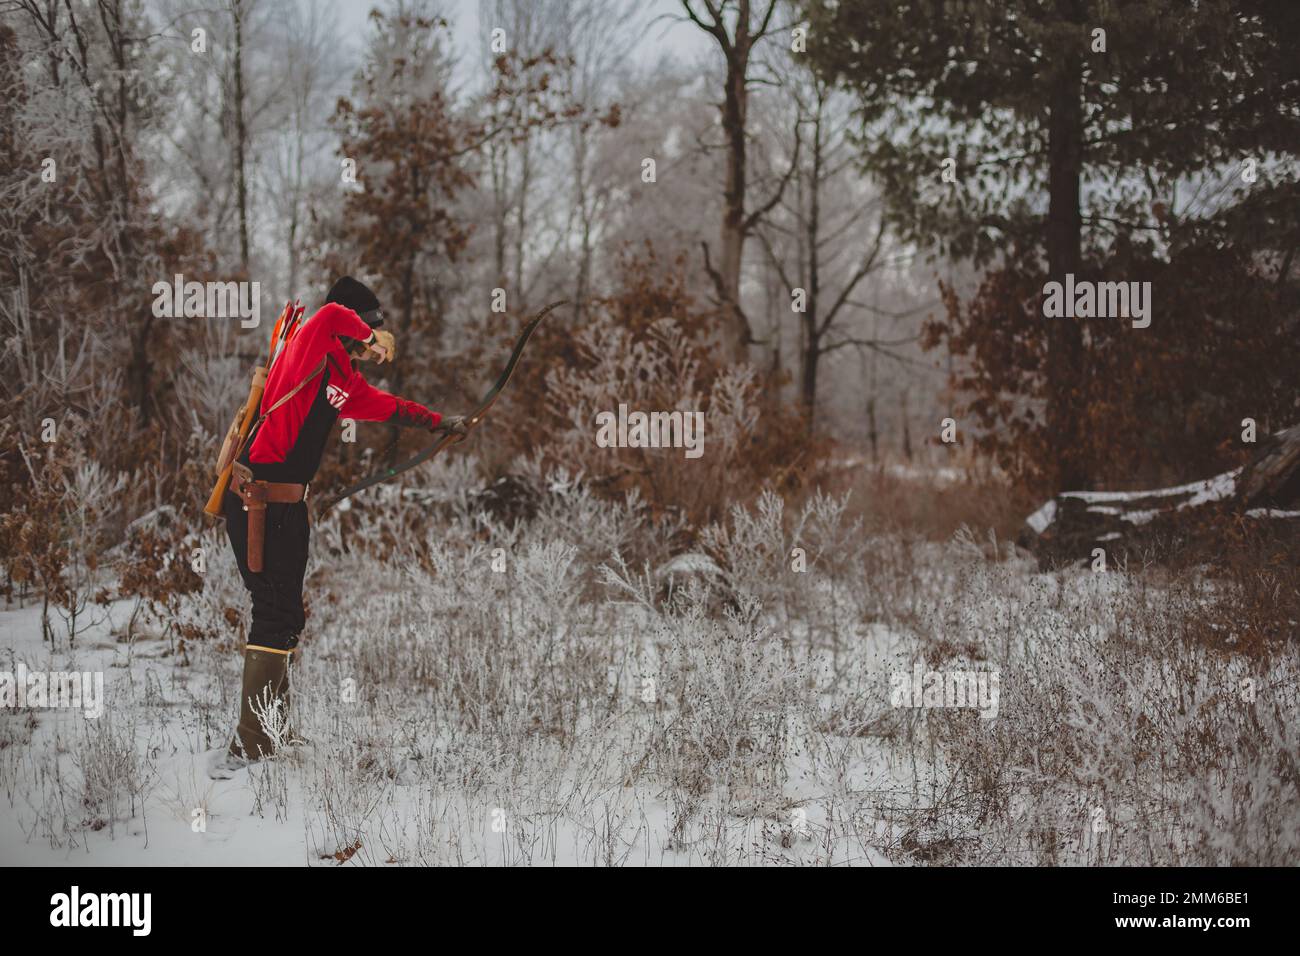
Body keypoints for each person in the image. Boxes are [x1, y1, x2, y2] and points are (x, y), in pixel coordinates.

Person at [209, 276, 465, 778]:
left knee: (286, 617)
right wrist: (371, 337)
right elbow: (330, 314)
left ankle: (272, 731)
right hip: (258, 505)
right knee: (271, 610)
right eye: (365, 329)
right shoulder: (311, 340)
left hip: (288, 510)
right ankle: (252, 745)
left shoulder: (342, 380)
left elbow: (388, 407)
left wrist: (438, 423)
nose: (366, 339)